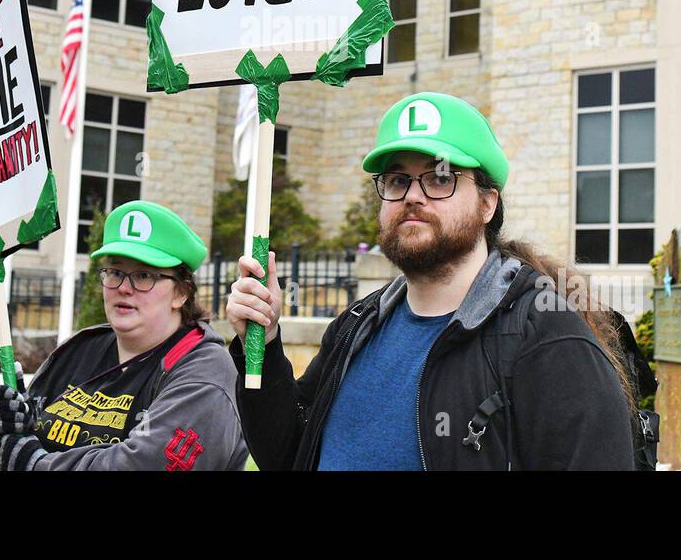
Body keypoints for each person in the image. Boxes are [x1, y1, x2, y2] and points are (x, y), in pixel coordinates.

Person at [225, 92, 637, 470]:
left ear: (487, 204)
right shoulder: (358, 325)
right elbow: (287, 453)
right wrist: (264, 342)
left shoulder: (545, 336)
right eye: (397, 180)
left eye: (440, 178)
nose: (412, 196)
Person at [0, 200, 248, 471]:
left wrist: (34, 464)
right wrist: (9, 432)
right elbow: (2, 458)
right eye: (115, 272)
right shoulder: (78, 351)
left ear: (181, 292)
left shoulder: (205, 375)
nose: (123, 287)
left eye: (144, 275)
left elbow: (144, 464)